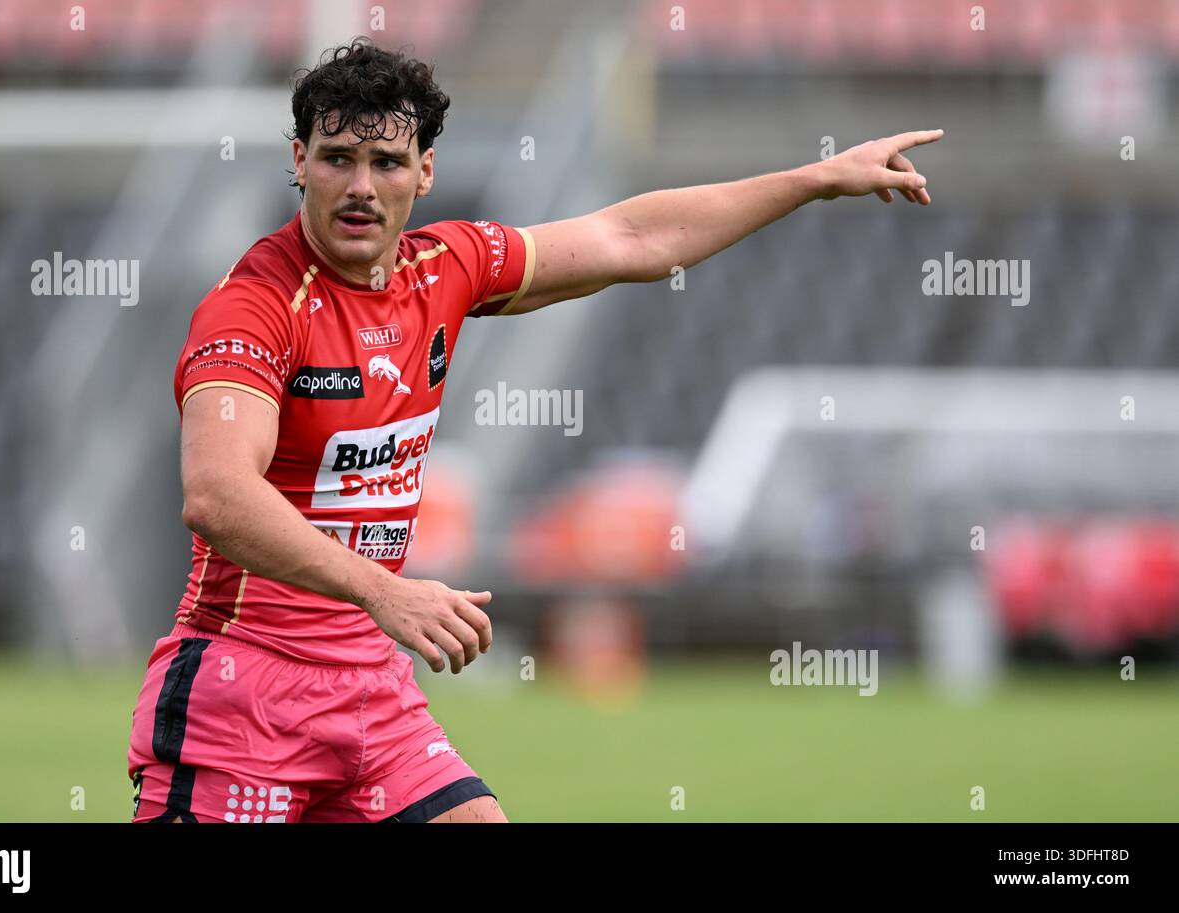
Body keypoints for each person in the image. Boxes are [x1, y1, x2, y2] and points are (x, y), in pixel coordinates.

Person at [127, 36, 942, 824]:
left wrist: (815, 179)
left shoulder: (443, 269)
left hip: (372, 692)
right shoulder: (256, 308)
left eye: (387, 162)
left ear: (426, 171)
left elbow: (632, 237)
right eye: (338, 157)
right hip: (245, 694)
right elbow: (217, 492)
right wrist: (383, 589)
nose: (361, 186)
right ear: (299, 161)